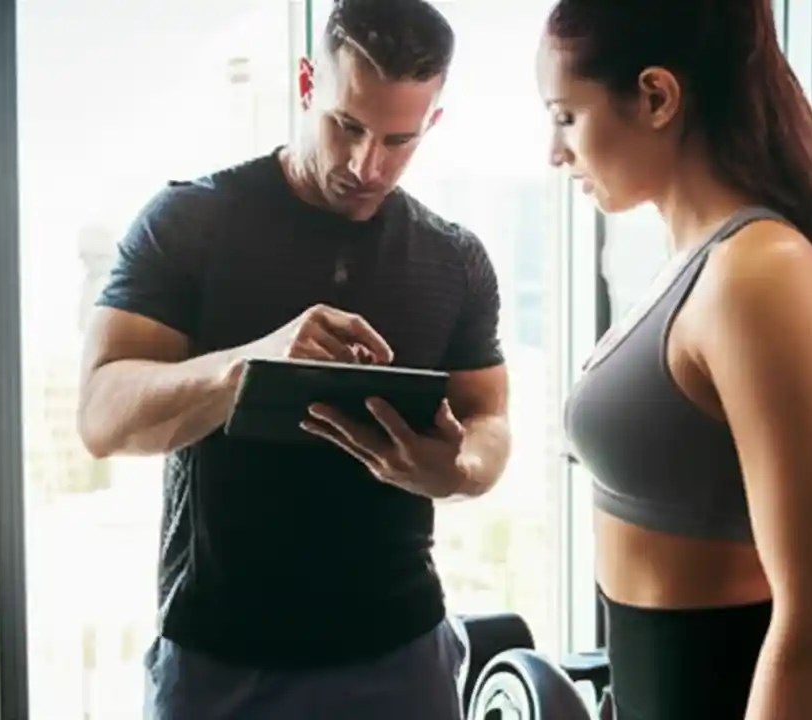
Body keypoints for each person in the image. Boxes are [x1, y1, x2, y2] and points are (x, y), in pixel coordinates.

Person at [75, 1, 512, 718]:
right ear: (308, 82)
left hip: (404, 654)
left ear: (432, 121)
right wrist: (248, 365)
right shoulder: (192, 222)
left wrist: (459, 469)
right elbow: (101, 418)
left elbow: (489, 417)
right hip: (223, 663)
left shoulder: (453, 258)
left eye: (399, 140)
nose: (368, 164)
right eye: (348, 126)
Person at [537, 1, 812, 719]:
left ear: (656, 97)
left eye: (566, 116)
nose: (554, 151)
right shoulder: (695, 262)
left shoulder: (759, 271)